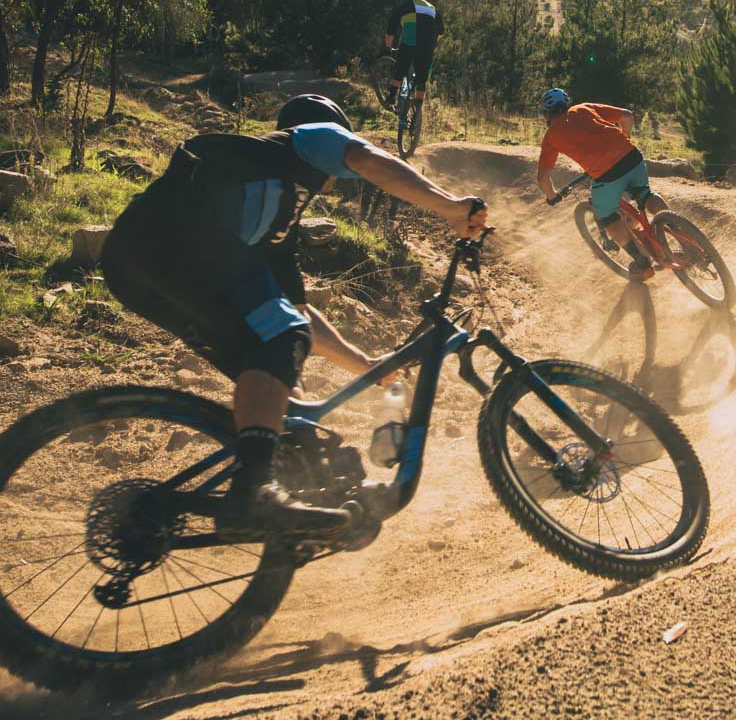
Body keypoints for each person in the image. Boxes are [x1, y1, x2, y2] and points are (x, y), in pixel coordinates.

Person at [100, 93, 487, 534]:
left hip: (138, 267)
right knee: (283, 340)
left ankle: (275, 511)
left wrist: (365, 367)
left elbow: (298, 316)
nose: (339, 179)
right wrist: (453, 209)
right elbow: (371, 161)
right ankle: (252, 494)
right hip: (173, 243)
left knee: (285, 378)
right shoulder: (309, 138)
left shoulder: (272, 224)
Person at [535, 87, 665, 278]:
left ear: (546, 114)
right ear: (566, 103)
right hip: (633, 157)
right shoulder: (584, 108)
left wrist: (552, 196)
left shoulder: (551, 136)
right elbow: (627, 116)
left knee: (606, 216)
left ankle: (643, 264)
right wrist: (625, 139)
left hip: (607, 174)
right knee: (646, 196)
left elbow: (542, 177)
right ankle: (681, 235)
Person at [383, 0, 443, 107]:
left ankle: (391, 97)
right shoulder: (432, 8)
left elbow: (391, 29)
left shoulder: (405, 6)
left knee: (400, 70)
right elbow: (441, 31)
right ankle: (418, 109)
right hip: (428, 46)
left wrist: (388, 48)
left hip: (410, 42)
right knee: (421, 79)